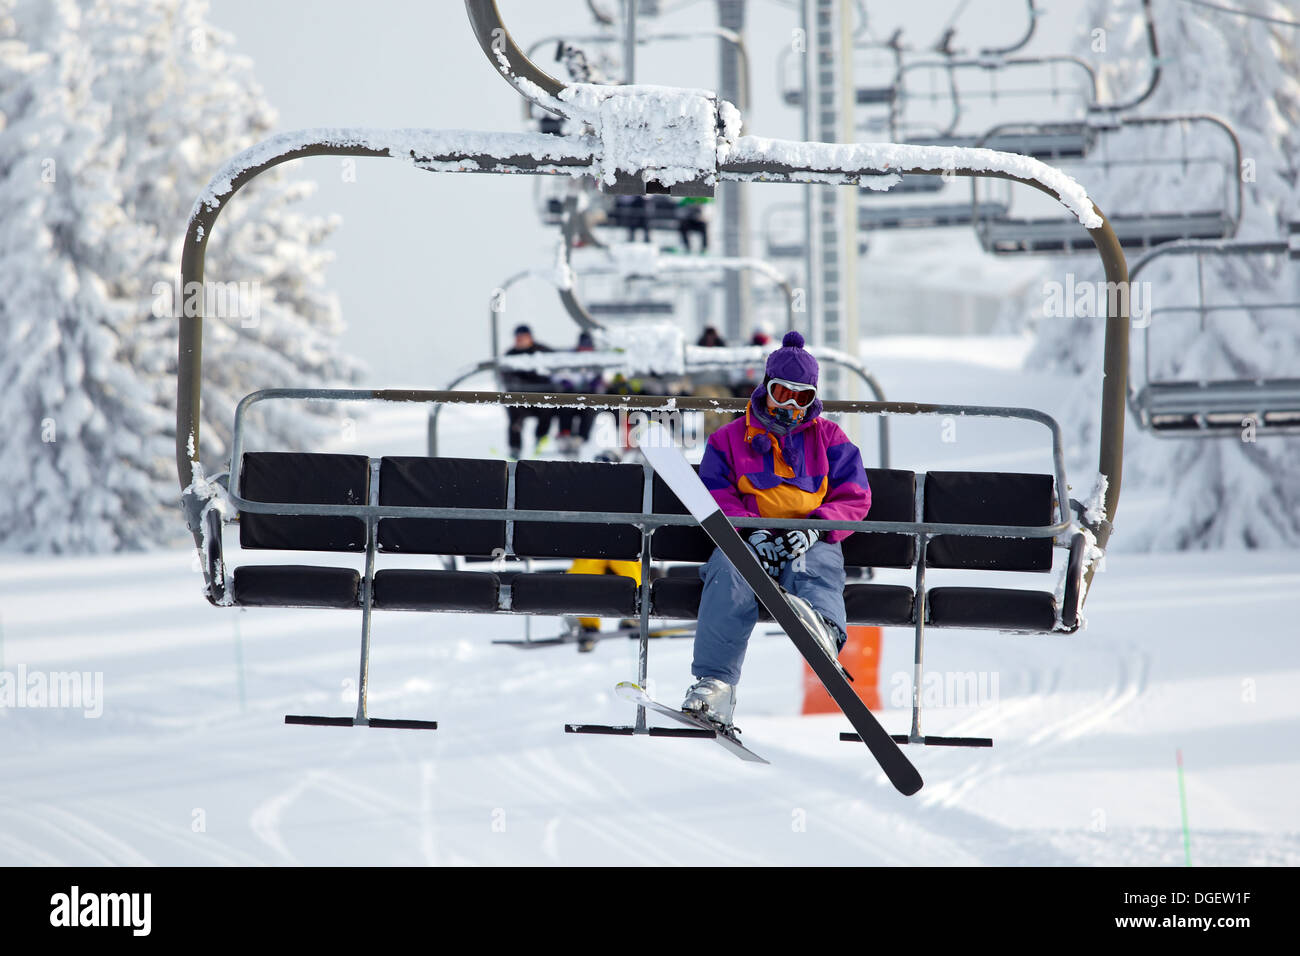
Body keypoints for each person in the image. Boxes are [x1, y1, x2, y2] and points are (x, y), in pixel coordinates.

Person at [680, 331, 872, 727]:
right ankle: (715, 685)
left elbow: (855, 496)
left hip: (808, 539)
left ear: (812, 399)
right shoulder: (729, 440)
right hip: (750, 540)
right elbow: (717, 493)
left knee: (816, 568)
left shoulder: (830, 438)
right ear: (765, 388)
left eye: (802, 397)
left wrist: (817, 528)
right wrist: (749, 532)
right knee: (730, 572)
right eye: (782, 393)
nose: (791, 405)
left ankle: (822, 630)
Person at [502, 324, 555, 459]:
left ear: (530, 337)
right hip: (519, 399)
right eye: (517, 337)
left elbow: (556, 368)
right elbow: (506, 377)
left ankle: (540, 440)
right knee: (514, 414)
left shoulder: (542, 351)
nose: (519, 340)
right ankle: (515, 448)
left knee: (548, 407)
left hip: (541, 398)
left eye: (522, 337)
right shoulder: (510, 355)